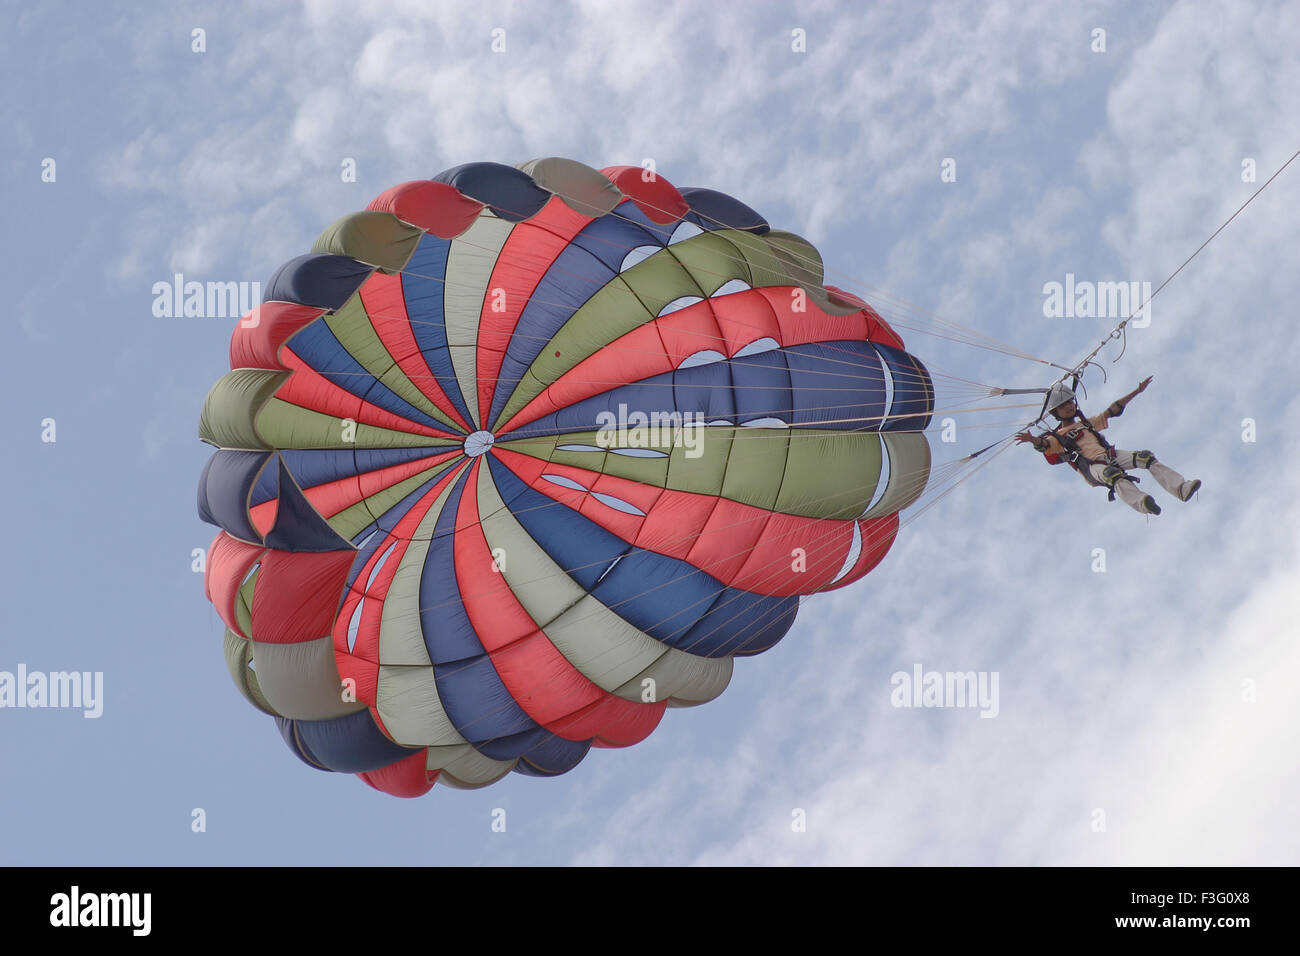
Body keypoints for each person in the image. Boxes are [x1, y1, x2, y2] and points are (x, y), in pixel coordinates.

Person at [1014, 376, 1201, 515]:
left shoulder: (1086, 423)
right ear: (1056, 412)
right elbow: (1045, 444)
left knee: (1146, 457)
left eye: (1070, 402)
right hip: (1092, 466)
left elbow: (1112, 410)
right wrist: (1032, 440)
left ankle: (1181, 488)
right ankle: (1143, 503)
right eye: (1063, 406)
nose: (1069, 407)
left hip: (1110, 455)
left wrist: (1136, 391)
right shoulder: (1058, 437)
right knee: (1113, 476)